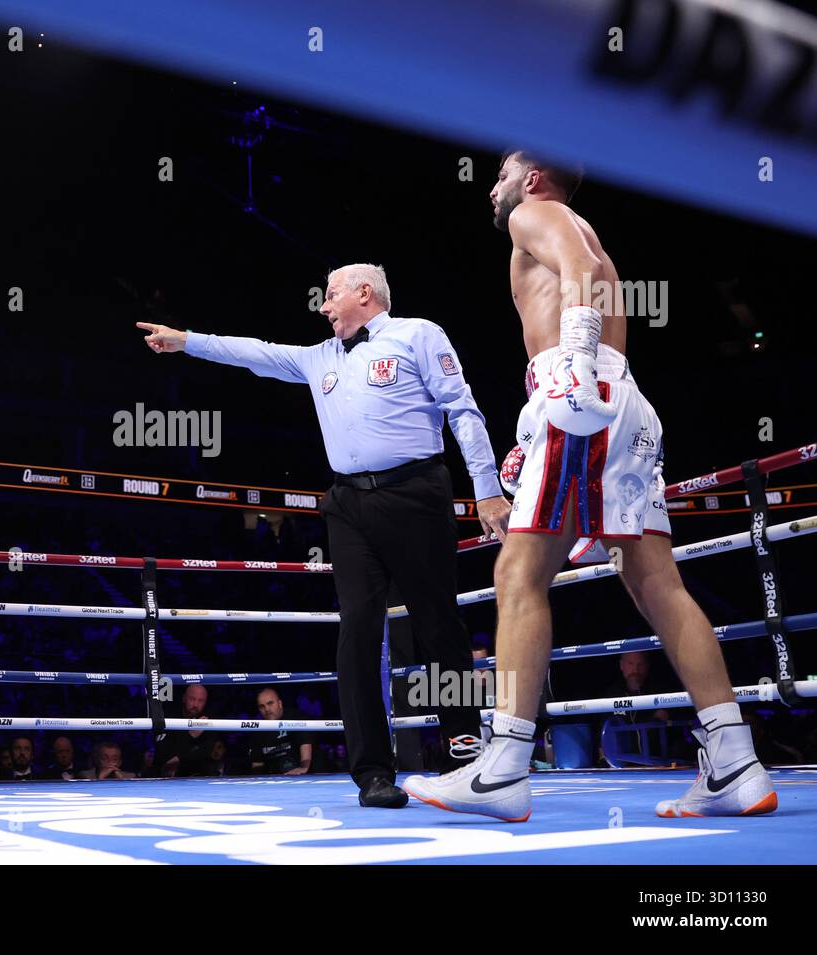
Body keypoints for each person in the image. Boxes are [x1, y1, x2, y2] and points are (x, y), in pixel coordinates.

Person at [404, 151, 776, 820]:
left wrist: (571, 366)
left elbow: (577, 278)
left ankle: (506, 763)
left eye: (503, 175)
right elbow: (587, 285)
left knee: (519, 572)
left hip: (580, 392)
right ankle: (735, 762)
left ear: (534, 178)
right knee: (655, 579)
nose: (494, 189)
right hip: (616, 398)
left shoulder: (536, 213)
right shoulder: (575, 225)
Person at [140, 264, 510, 808]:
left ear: (365, 294)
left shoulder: (419, 334)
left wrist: (488, 488)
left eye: (331, 294)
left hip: (417, 493)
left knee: (438, 621)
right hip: (347, 504)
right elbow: (254, 352)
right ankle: (372, 773)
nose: (323, 305)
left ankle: (465, 755)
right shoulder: (319, 358)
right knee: (357, 628)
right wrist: (187, 341)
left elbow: (463, 409)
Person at [152, 683, 215, 778]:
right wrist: (190, 735)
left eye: (201, 701)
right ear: (184, 698)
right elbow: (163, 753)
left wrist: (179, 758)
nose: (196, 704)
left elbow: (206, 752)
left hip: (195, 774)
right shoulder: (170, 716)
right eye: (192, 699)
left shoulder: (207, 719)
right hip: (166, 775)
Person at [248, 687, 313, 775]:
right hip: (275, 781)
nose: (266, 709)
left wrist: (303, 768)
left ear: (280, 703)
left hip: (304, 776)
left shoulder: (296, 718)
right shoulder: (258, 729)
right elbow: (257, 763)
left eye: (270, 703)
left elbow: (305, 744)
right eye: (262, 706)